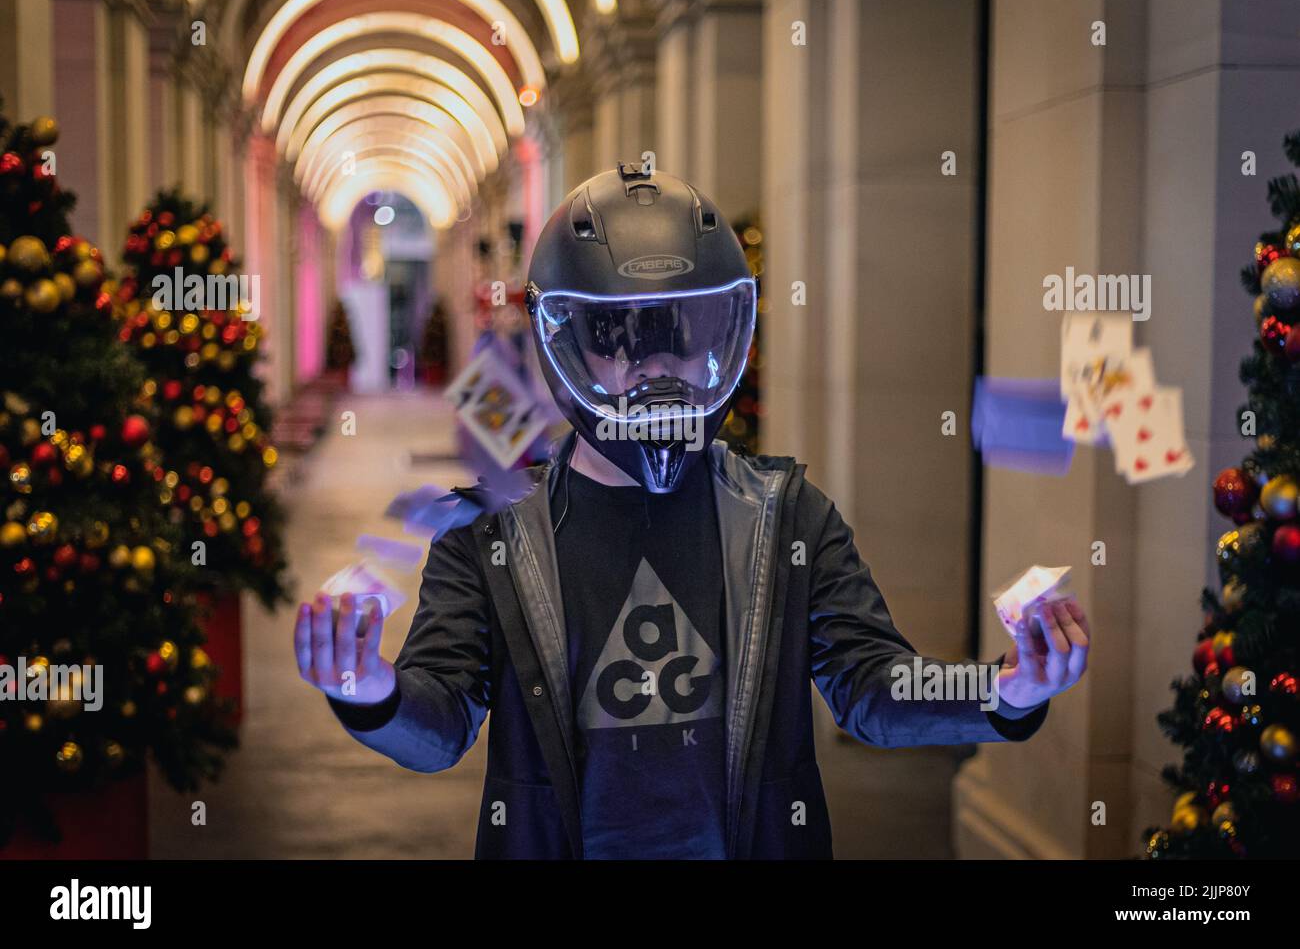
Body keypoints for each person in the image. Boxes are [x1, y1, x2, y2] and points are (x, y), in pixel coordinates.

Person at [294, 164, 1091, 859]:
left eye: (686, 334)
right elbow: (441, 725)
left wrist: (1007, 690)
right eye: (625, 338)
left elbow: (873, 690)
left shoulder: (788, 520)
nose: (660, 369)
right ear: (566, 343)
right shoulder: (487, 533)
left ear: (728, 331)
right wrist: (369, 689)